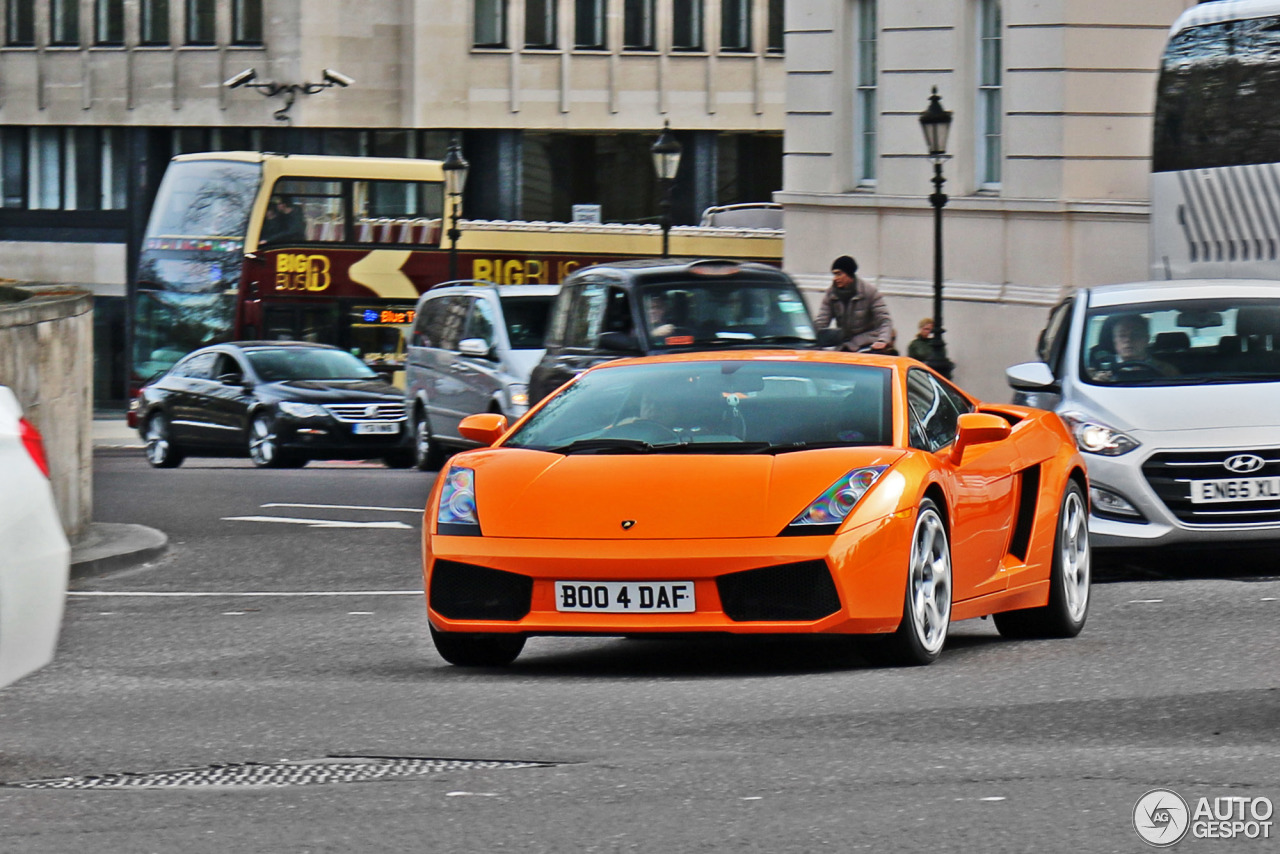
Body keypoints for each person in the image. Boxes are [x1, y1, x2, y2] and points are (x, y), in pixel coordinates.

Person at [814, 255, 893, 352]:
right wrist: (812, 339)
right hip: (844, 344)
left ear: (849, 274)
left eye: (839, 274)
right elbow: (822, 320)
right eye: (834, 275)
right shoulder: (831, 294)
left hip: (866, 344)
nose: (835, 278)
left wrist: (882, 341)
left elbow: (884, 320)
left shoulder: (869, 292)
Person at [1093, 313, 1177, 380]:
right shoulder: (1100, 368)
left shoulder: (1165, 369)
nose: (1128, 340)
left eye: (1135, 335)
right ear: (1114, 340)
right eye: (1122, 335)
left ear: (1146, 339)